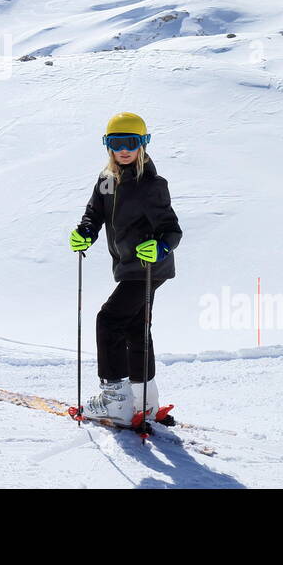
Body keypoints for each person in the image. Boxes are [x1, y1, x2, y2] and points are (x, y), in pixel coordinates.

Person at [69, 112, 182, 421]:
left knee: (108, 320)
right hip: (128, 268)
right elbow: (95, 213)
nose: (123, 149)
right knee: (135, 327)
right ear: (108, 145)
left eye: (130, 142)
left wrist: (160, 247)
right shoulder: (106, 181)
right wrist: (85, 234)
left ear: (142, 144)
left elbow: (173, 230)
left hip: (148, 268)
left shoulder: (151, 184)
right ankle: (145, 401)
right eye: (116, 142)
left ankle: (115, 400)